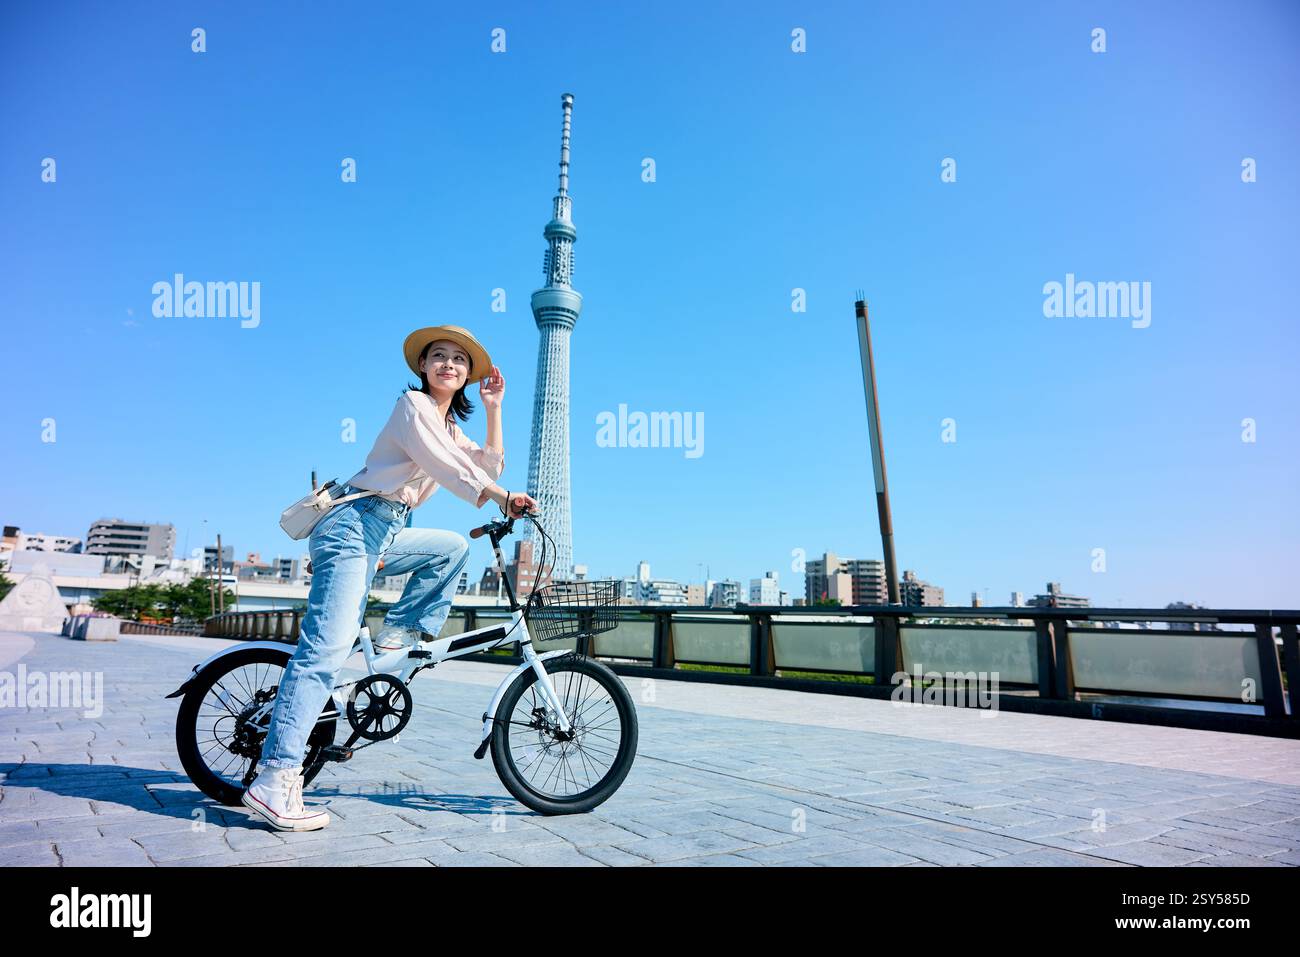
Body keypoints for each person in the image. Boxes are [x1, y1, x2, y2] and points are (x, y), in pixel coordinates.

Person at [242, 324, 540, 831]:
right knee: (325, 652)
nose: (449, 364)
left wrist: (495, 410)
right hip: (352, 525)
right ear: (422, 368)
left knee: (451, 548)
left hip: (384, 531)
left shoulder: (449, 427)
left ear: (468, 376)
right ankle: (274, 779)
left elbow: (484, 463)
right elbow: (452, 471)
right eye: (438, 356)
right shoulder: (413, 408)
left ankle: (397, 640)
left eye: (459, 361)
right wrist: (499, 495)